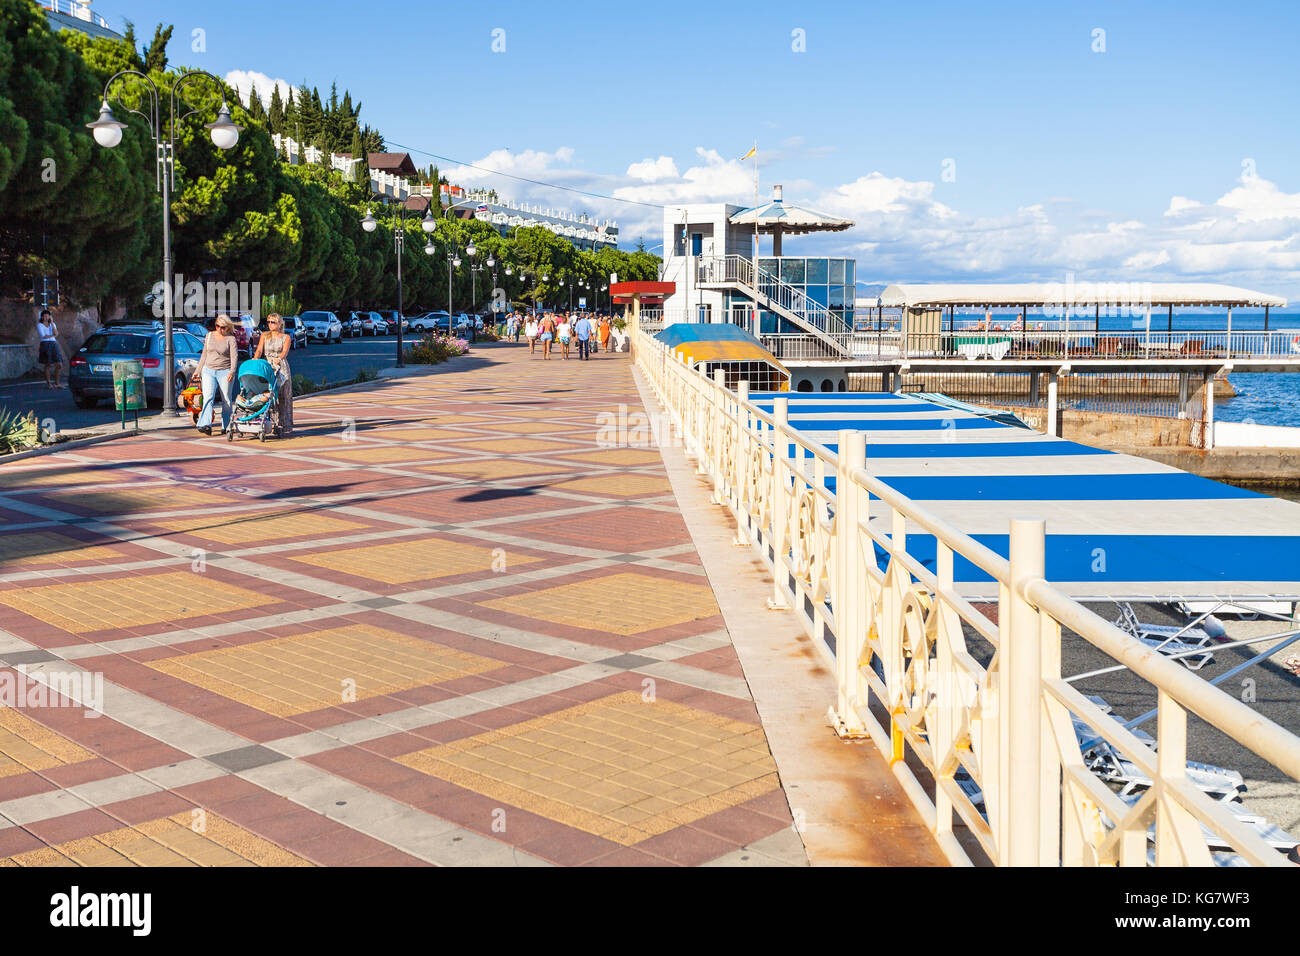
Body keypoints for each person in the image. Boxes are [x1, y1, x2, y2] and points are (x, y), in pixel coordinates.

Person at [191, 315, 239, 435]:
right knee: (208, 397)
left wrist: (232, 372)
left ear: (227, 327)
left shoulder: (230, 339)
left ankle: (226, 425)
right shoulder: (209, 336)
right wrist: (198, 370)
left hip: (225, 371)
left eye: (222, 327)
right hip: (208, 370)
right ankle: (205, 424)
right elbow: (204, 355)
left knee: (226, 400)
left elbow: (234, 357)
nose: (219, 329)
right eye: (217, 326)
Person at [253, 313, 294, 437]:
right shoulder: (265, 335)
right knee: (267, 394)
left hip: (280, 366)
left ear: (280, 324)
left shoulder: (286, 337)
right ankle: (267, 421)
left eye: (273, 322)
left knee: (282, 396)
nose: (270, 324)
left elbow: (284, 352)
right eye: (269, 322)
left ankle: (283, 423)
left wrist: (279, 358)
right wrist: (255, 358)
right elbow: (260, 349)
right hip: (267, 366)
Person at [36, 310, 62, 389]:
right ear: (42, 317)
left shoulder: (52, 324)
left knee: (59, 364)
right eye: (44, 316)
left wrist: (52, 323)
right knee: (47, 364)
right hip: (45, 344)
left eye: (48, 316)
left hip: (53, 344)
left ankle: (57, 383)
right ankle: (49, 384)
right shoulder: (40, 325)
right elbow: (43, 336)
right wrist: (53, 335)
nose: (46, 317)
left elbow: (56, 333)